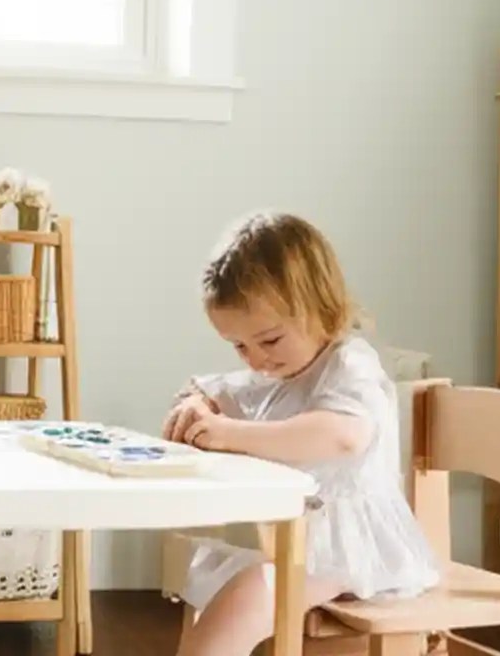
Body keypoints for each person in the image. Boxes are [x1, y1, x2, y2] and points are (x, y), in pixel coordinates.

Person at [163, 211, 439, 656]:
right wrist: (195, 405)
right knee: (207, 575)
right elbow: (209, 388)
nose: (254, 360)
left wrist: (230, 434)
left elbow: (341, 436)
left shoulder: (351, 363)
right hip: (300, 545)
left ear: (321, 308)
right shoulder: (279, 374)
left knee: (242, 599)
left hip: (353, 546)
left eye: (269, 340)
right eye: (239, 346)